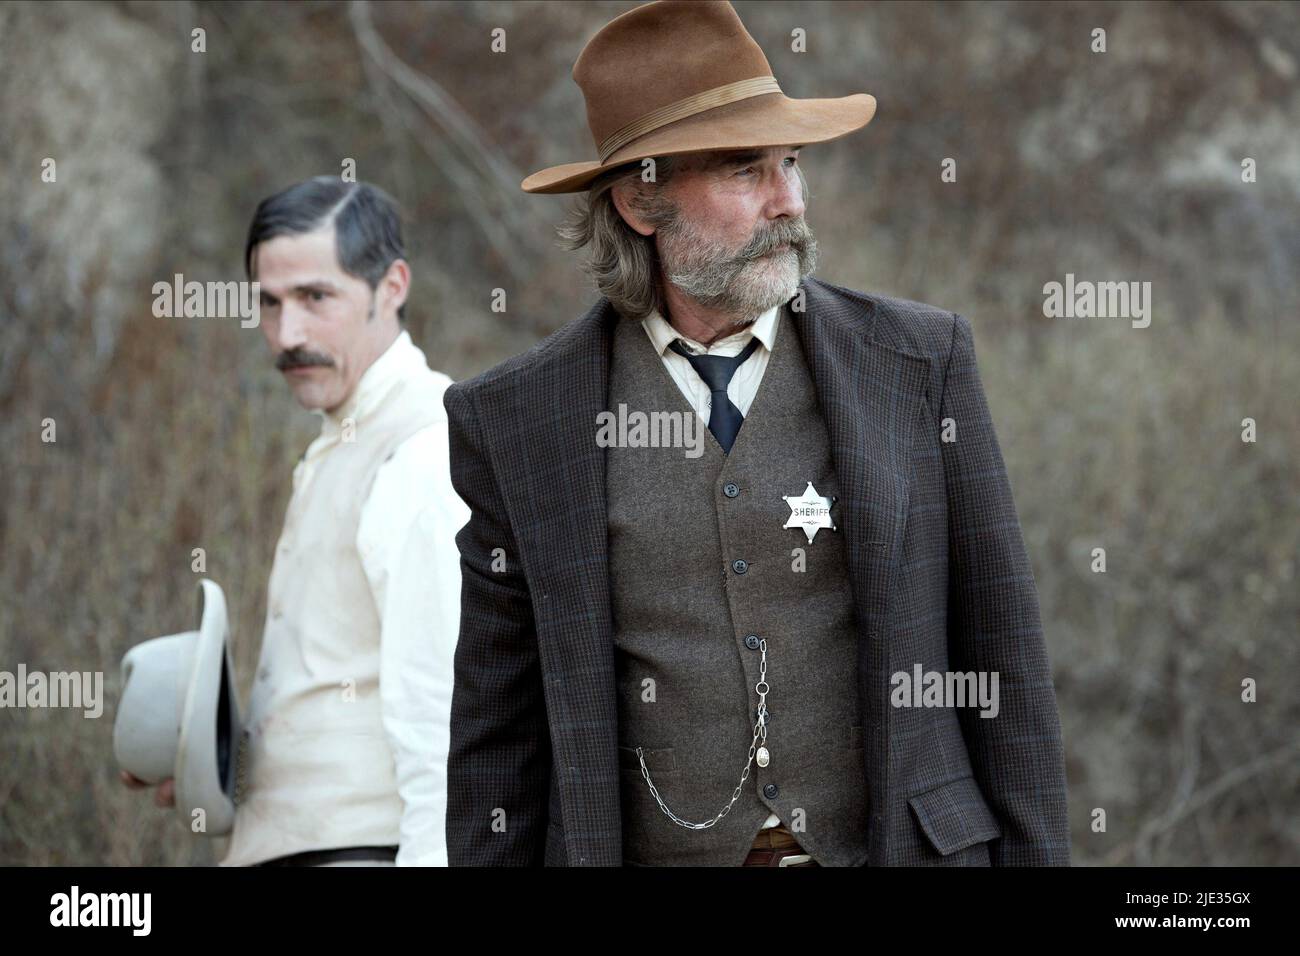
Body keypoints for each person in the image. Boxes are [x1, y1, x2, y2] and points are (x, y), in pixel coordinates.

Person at [444, 0, 1069, 866]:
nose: (789, 202)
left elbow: (1003, 656)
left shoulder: (920, 363)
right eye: (746, 171)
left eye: (792, 165)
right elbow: (495, 732)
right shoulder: (514, 421)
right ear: (638, 200)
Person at [123, 177, 468, 867]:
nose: (289, 336)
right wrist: (205, 752)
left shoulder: (423, 448)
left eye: (316, 298)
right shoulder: (342, 438)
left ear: (391, 286)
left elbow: (444, 720)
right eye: (269, 304)